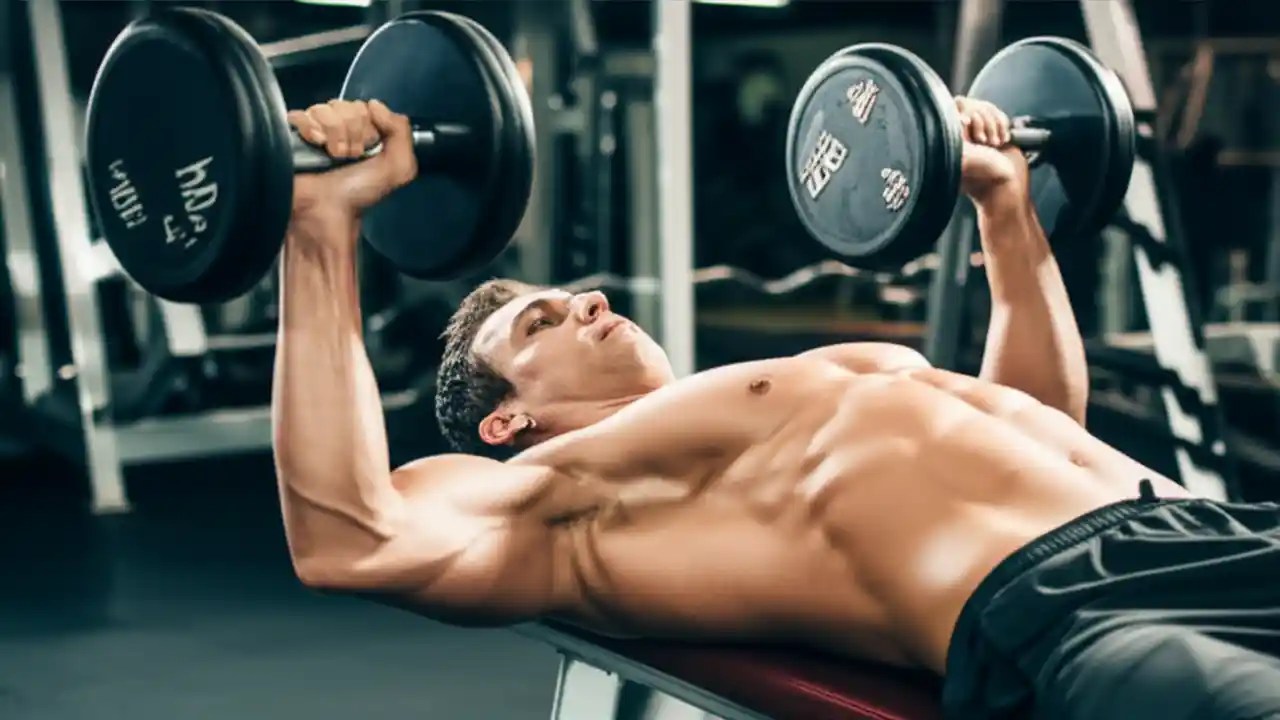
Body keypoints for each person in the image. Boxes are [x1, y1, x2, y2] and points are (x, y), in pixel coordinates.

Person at [273, 97, 1280, 720]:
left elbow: (1032, 417)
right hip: (1068, 617)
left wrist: (1002, 208)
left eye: (574, 294)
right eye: (540, 324)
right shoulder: (553, 499)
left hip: (1206, 534)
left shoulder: (796, 384)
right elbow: (350, 538)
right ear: (505, 421)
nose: (587, 302)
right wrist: (318, 231)